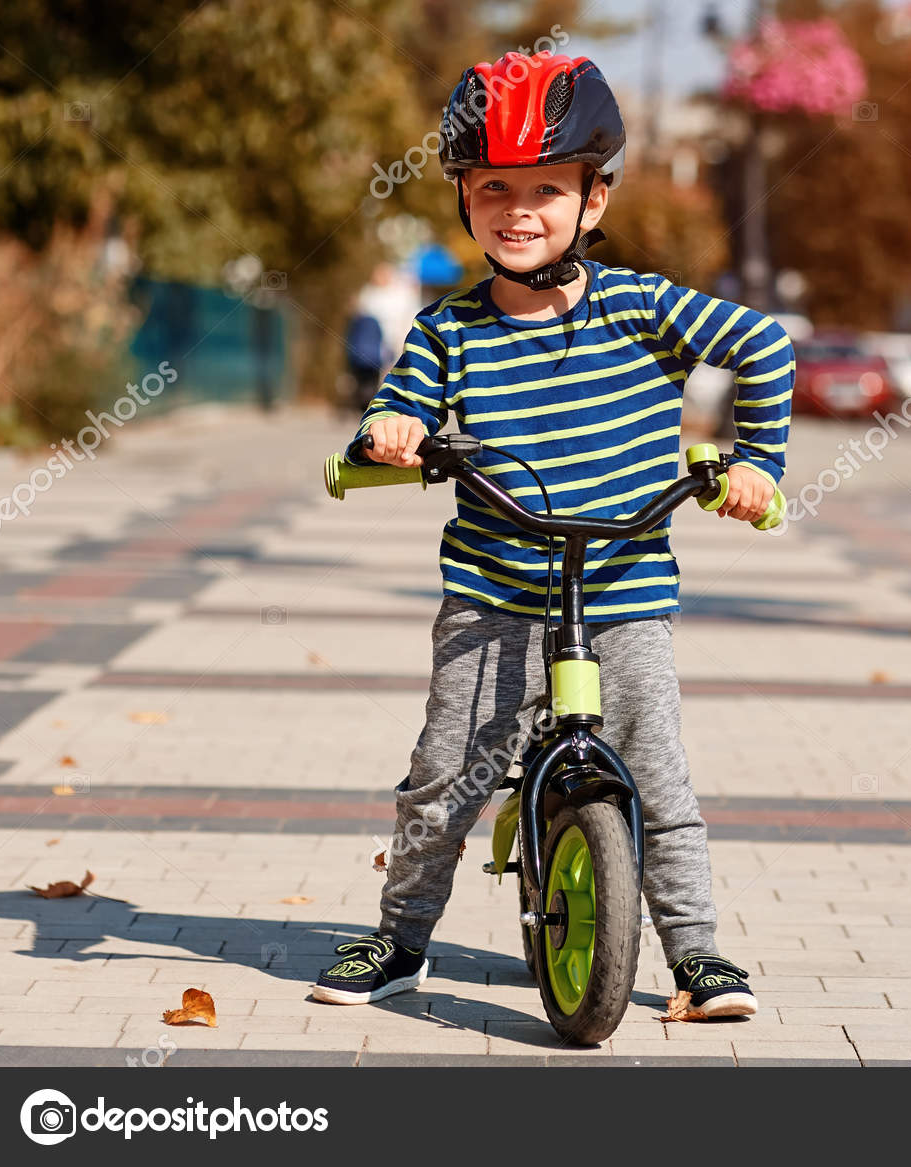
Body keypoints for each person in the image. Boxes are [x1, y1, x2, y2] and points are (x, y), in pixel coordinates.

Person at [312, 51, 793, 1021]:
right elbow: (390, 418)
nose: (518, 209)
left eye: (545, 188)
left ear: (594, 197)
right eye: (493, 187)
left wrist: (757, 465)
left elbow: (764, 345)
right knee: (445, 778)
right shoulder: (448, 334)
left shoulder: (643, 307)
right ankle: (401, 937)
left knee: (657, 780)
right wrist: (390, 436)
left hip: (623, 595)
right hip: (492, 598)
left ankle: (697, 959)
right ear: (462, 197)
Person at [342, 308, 386, 413]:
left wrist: (349, 360)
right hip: (375, 358)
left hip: (358, 358)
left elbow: (350, 340)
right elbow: (381, 338)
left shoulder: (355, 323)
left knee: (361, 382)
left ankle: (362, 405)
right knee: (372, 382)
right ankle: (370, 404)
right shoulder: (375, 322)